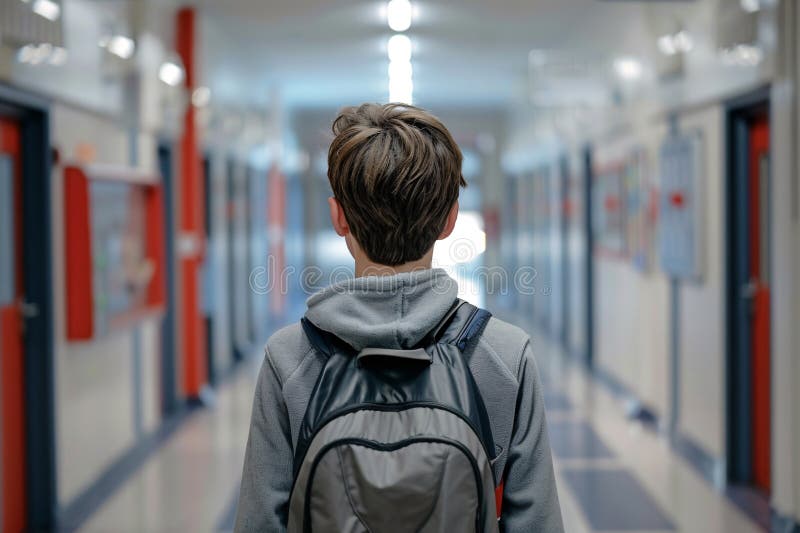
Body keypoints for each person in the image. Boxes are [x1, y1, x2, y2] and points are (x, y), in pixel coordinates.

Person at [234, 103, 564, 532]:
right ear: (449, 220)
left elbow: (260, 523)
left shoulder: (290, 358)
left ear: (339, 218)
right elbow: (536, 523)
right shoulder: (503, 355)